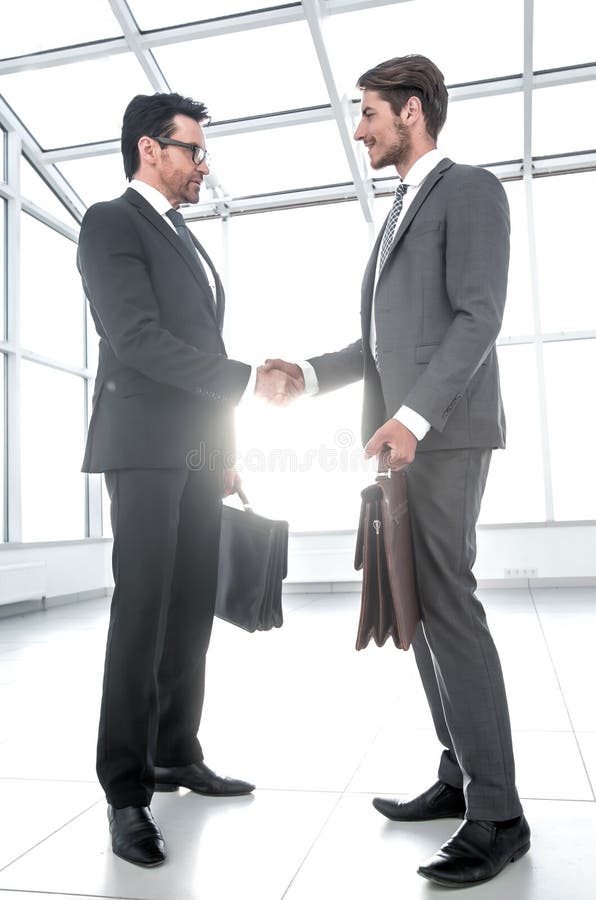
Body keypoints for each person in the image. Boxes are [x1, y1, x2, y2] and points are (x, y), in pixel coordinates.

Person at [265, 54, 530, 888]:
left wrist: (414, 419)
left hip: (442, 436)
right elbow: (379, 347)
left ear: (412, 111)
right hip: (403, 439)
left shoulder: (471, 191)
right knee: (417, 610)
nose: (360, 128)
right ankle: (460, 775)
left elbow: (478, 317)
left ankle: (500, 814)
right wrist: (304, 376)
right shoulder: (397, 216)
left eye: (369, 113)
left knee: (448, 604)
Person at [77, 92, 300, 867]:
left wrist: (226, 443)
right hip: (141, 446)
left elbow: (194, 346)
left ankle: (175, 750)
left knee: (191, 606)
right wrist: (247, 380)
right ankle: (125, 791)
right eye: (193, 150)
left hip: (200, 451)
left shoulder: (181, 237)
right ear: (150, 149)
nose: (203, 165)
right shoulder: (110, 223)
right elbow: (135, 340)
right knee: (140, 611)